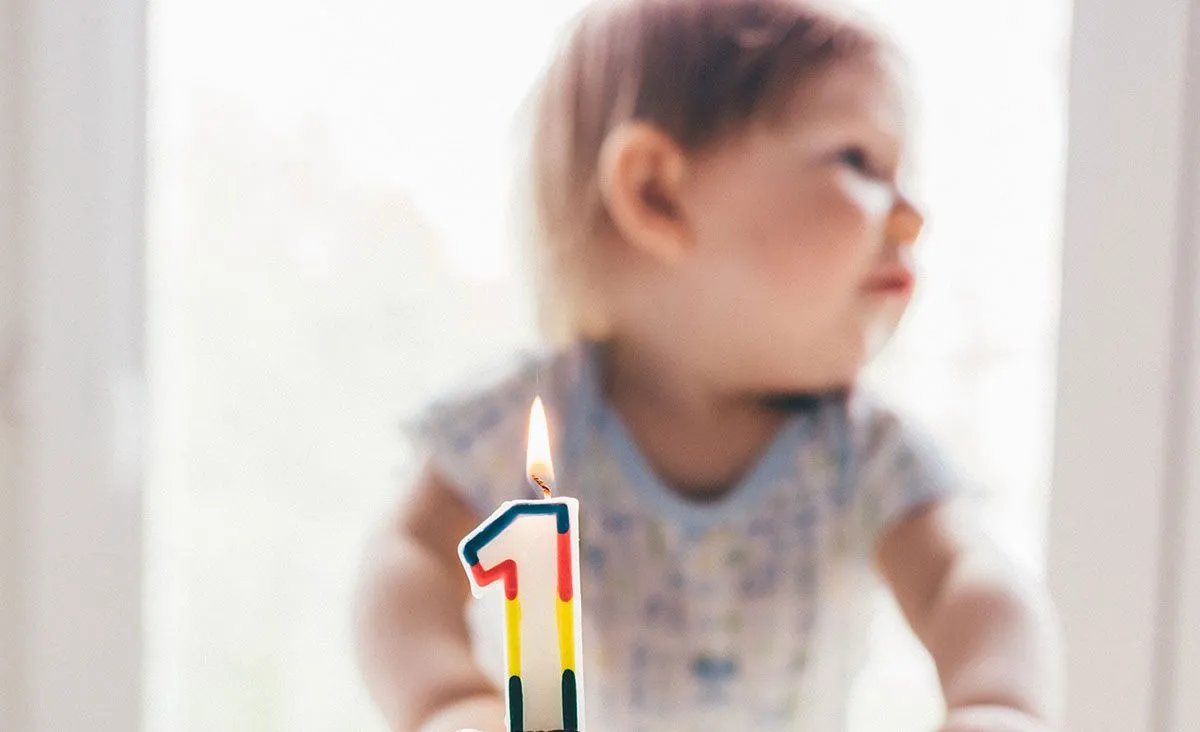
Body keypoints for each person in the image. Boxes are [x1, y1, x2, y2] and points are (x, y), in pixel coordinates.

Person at [355, 0, 1063, 729]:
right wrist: (449, 700)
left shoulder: (860, 452)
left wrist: (996, 704)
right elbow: (410, 557)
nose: (913, 215)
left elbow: (963, 579)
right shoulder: (539, 419)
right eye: (857, 160)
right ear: (656, 193)